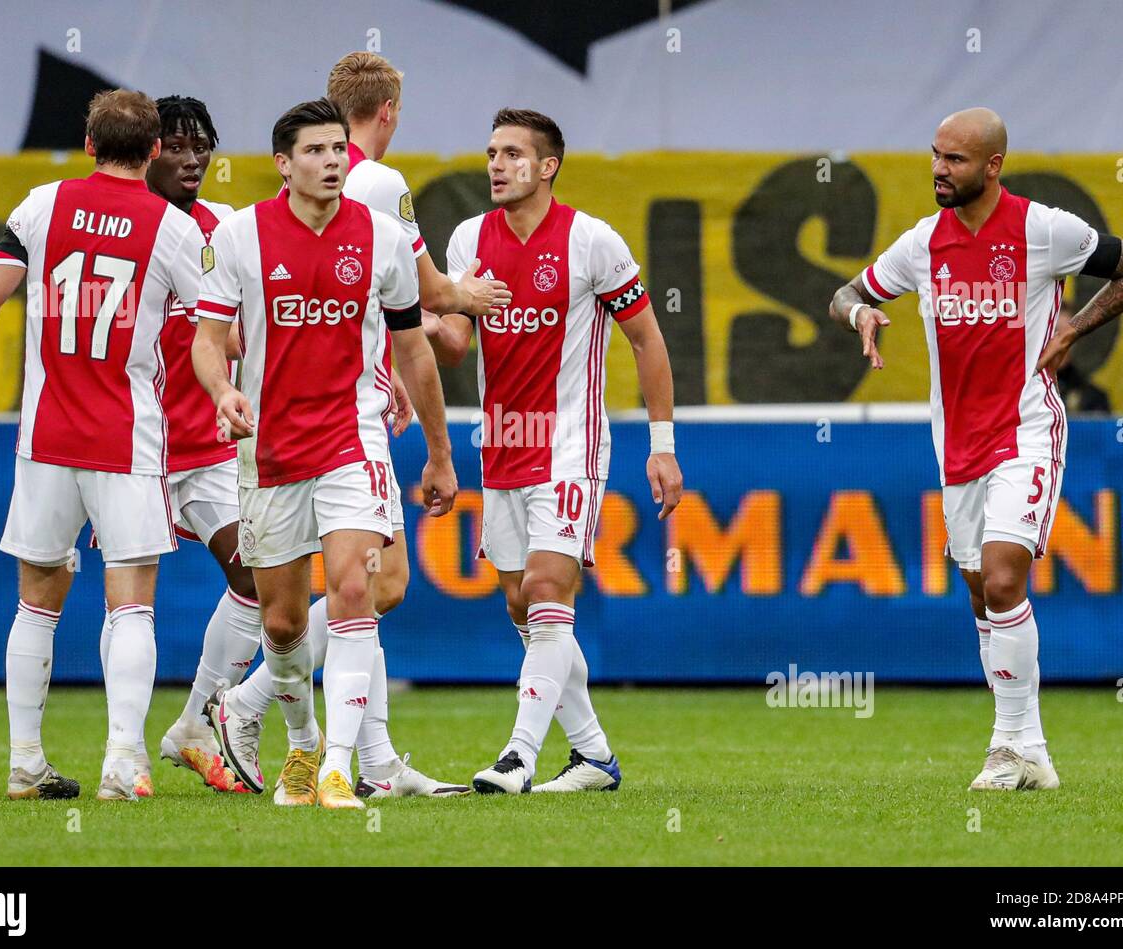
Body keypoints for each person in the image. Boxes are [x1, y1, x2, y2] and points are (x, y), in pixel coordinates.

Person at [828, 107, 1123, 791]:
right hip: (957, 447)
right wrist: (860, 312)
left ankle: (1013, 747)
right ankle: (1025, 749)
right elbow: (847, 291)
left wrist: (1076, 330)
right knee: (983, 598)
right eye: (935, 156)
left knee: (1006, 578)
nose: (939, 170)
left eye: (954, 160)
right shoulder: (922, 244)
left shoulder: (1045, 230)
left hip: (1026, 432)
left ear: (993, 165)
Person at [212, 52, 507, 799]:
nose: (332, 162)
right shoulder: (365, 197)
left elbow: (410, 323)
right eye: (315, 151)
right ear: (389, 112)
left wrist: (429, 423)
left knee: (359, 585)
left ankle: (350, 765)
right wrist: (469, 298)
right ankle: (274, 722)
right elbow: (433, 300)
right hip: (278, 440)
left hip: (354, 429)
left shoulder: (362, 220)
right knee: (294, 617)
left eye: (334, 149)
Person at [0, 89, 207, 801]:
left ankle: (23, 763)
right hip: (126, 439)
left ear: (88, 145)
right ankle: (122, 764)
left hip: (45, 439)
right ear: (156, 150)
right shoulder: (172, 229)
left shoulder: (41, 205)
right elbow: (214, 327)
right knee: (131, 605)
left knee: (36, 603)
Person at [424, 109, 683, 794]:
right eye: (491, 152)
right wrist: (415, 312)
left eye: (512, 153)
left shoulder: (591, 241)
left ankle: (517, 755)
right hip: (502, 447)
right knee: (522, 605)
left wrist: (662, 446)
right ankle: (594, 756)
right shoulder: (468, 238)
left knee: (545, 589)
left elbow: (647, 340)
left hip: (570, 445)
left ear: (548, 166)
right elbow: (454, 343)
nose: (496, 165)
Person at [90, 95, 252, 797]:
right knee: (121, 603)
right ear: (149, 151)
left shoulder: (227, 231)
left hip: (213, 452)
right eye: (177, 145)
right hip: (136, 449)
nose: (192, 159)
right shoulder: (119, 232)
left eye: (202, 146)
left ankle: (192, 723)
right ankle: (112, 750)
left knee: (256, 577)